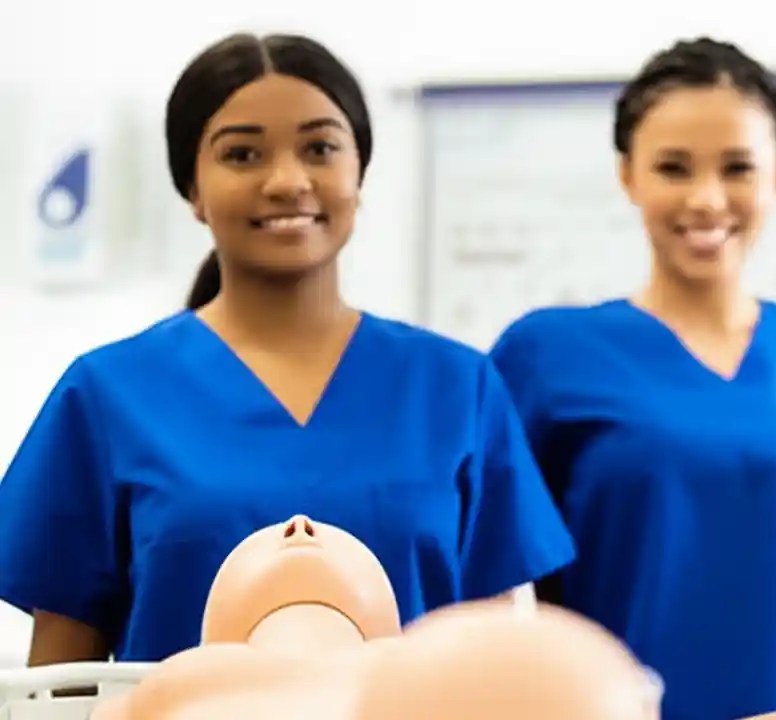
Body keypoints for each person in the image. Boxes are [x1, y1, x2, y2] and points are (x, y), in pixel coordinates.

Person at [0, 32, 574, 666]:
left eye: (320, 148)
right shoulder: (106, 396)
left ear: (359, 172)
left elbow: (490, 667)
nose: (287, 180)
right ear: (192, 187)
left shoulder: (456, 388)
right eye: (242, 154)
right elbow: (58, 685)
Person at [489, 37, 776, 720]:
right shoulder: (544, 357)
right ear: (628, 176)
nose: (706, 199)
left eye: (737, 167)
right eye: (673, 168)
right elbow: (488, 586)